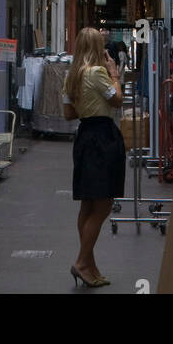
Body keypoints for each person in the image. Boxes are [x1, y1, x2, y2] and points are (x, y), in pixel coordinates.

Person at [62, 27, 125, 288]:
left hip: (84, 136)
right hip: (103, 136)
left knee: (87, 204)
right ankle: (81, 262)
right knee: (104, 204)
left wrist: (87, 108)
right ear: (95, 46)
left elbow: (67, 114)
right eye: (100, 44)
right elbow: (118, 100)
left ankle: (90, 266)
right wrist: (114, 75)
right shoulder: (98, 73)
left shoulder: (71, 76)